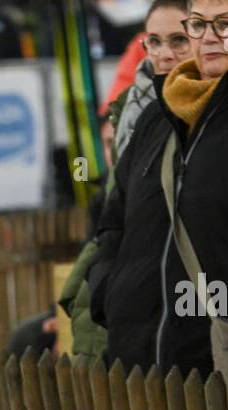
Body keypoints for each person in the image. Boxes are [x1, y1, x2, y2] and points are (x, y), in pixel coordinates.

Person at [88, 0, 228, 382]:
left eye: (225, 24)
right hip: (135, 357)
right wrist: (110, 291)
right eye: (198, 24)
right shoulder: (161, 109)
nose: (209, 37)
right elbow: (113, 218)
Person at [64, 0, 192, 359]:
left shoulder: (216, 106)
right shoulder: (137, 104)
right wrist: (108, 286)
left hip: (187, 308)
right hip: (130, 304)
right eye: (154, 42)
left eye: (179, 40)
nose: (165, 53)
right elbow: (112, 215)